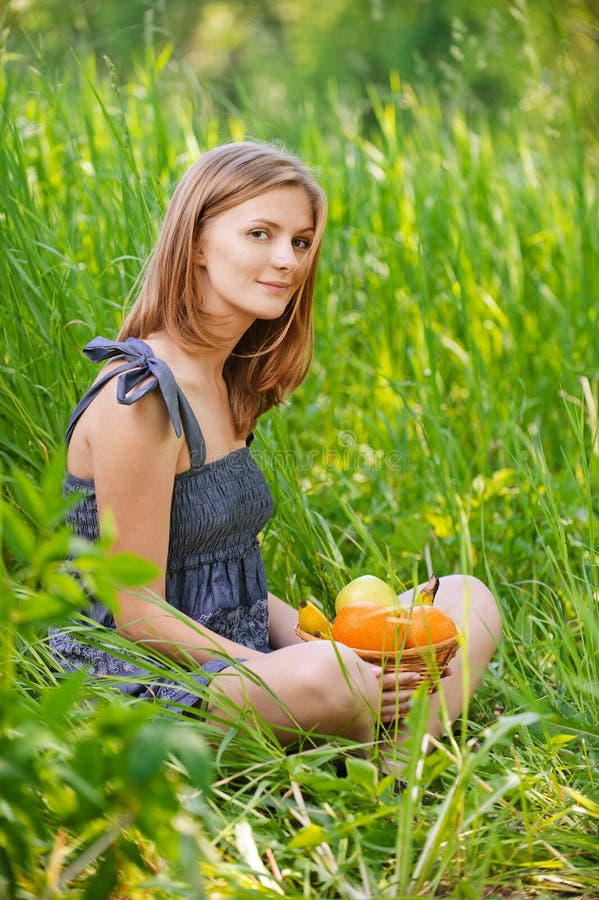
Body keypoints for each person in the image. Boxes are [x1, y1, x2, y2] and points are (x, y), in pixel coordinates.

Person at [50, 140, 502, 761]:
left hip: (237, 657)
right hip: (140, 685)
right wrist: (331, 666)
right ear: (199, 242)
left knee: (465, 601)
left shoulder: (227, 378)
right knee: (328, 677)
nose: (286, 260)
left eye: (300, 241)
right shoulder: (144, 398)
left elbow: (229, 578)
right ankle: (374, 741)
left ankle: (389, 765)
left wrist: (337, 642)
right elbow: (140, 617)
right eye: (260, 233)